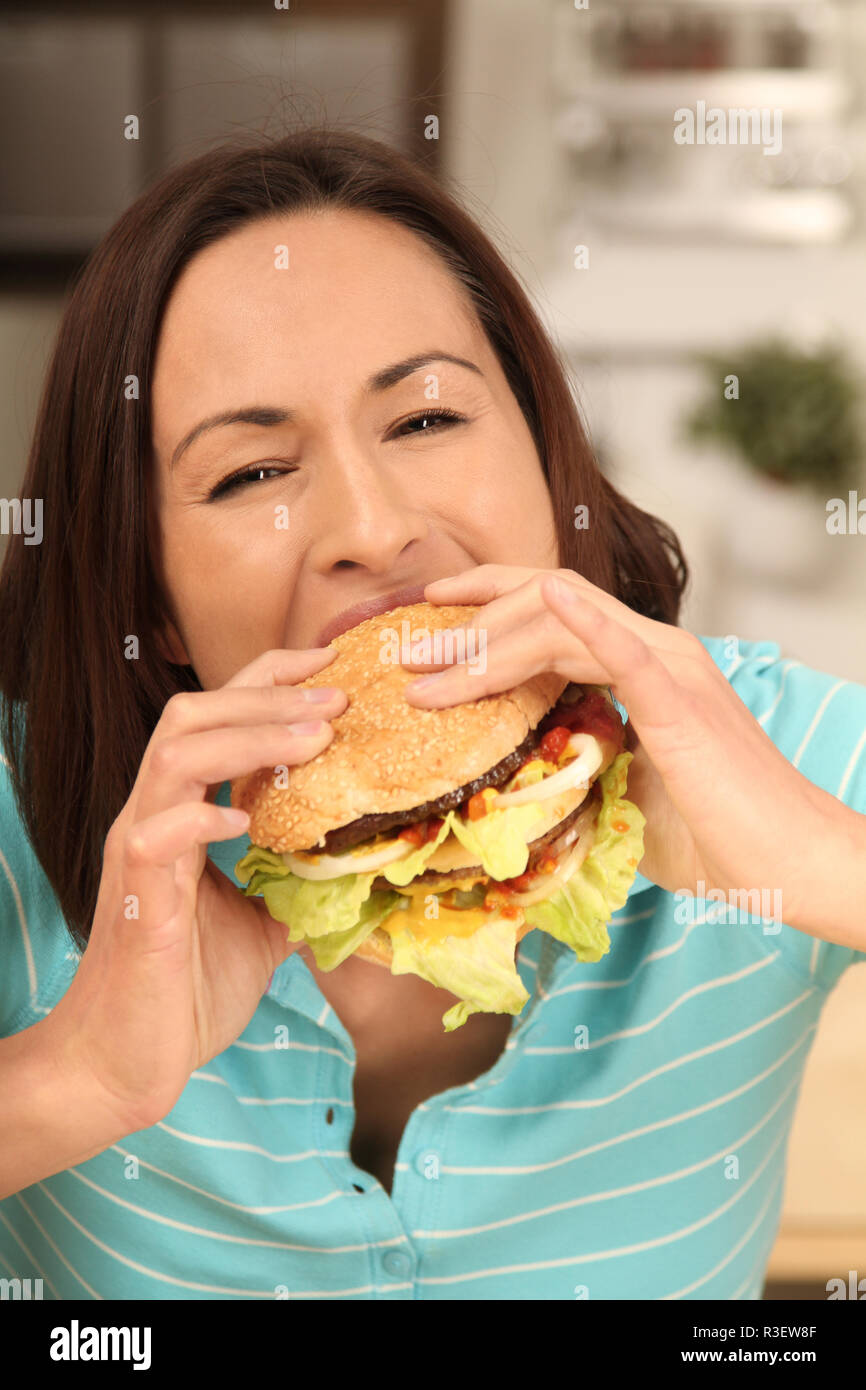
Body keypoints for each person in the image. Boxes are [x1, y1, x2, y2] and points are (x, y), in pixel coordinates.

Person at [0, 128, 863, 1301]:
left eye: (424, 419)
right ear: (145, 590)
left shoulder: (736, 744)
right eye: (251, 473)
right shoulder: (27, 810)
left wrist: (816, 861)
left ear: (544, 450)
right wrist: (82, 1074)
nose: (371, 528)